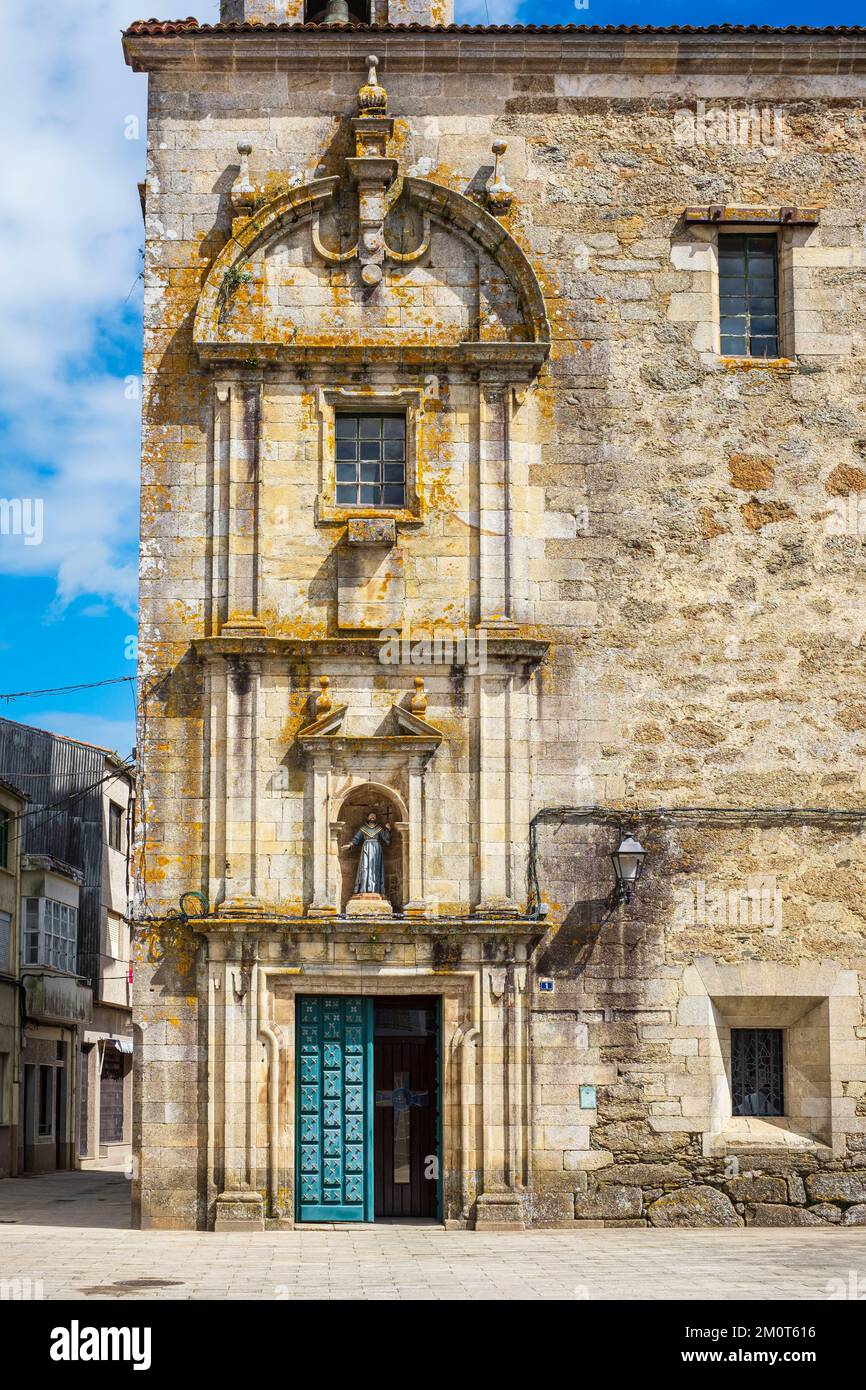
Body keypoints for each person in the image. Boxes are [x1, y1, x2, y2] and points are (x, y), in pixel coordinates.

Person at [346, 810, 391, 897]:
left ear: (376, 818)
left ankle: (375, 889)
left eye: (374, 816)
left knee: (375, 869)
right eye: (371, 816)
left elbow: (386, 840)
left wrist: (388, 829)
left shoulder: (379, 829)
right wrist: (350, 844)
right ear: (367, 818)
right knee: (365, 868)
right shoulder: (363, 829)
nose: (372, 817)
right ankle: (363, 889)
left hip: (376, 850)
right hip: (366, 848)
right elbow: (356, 839)